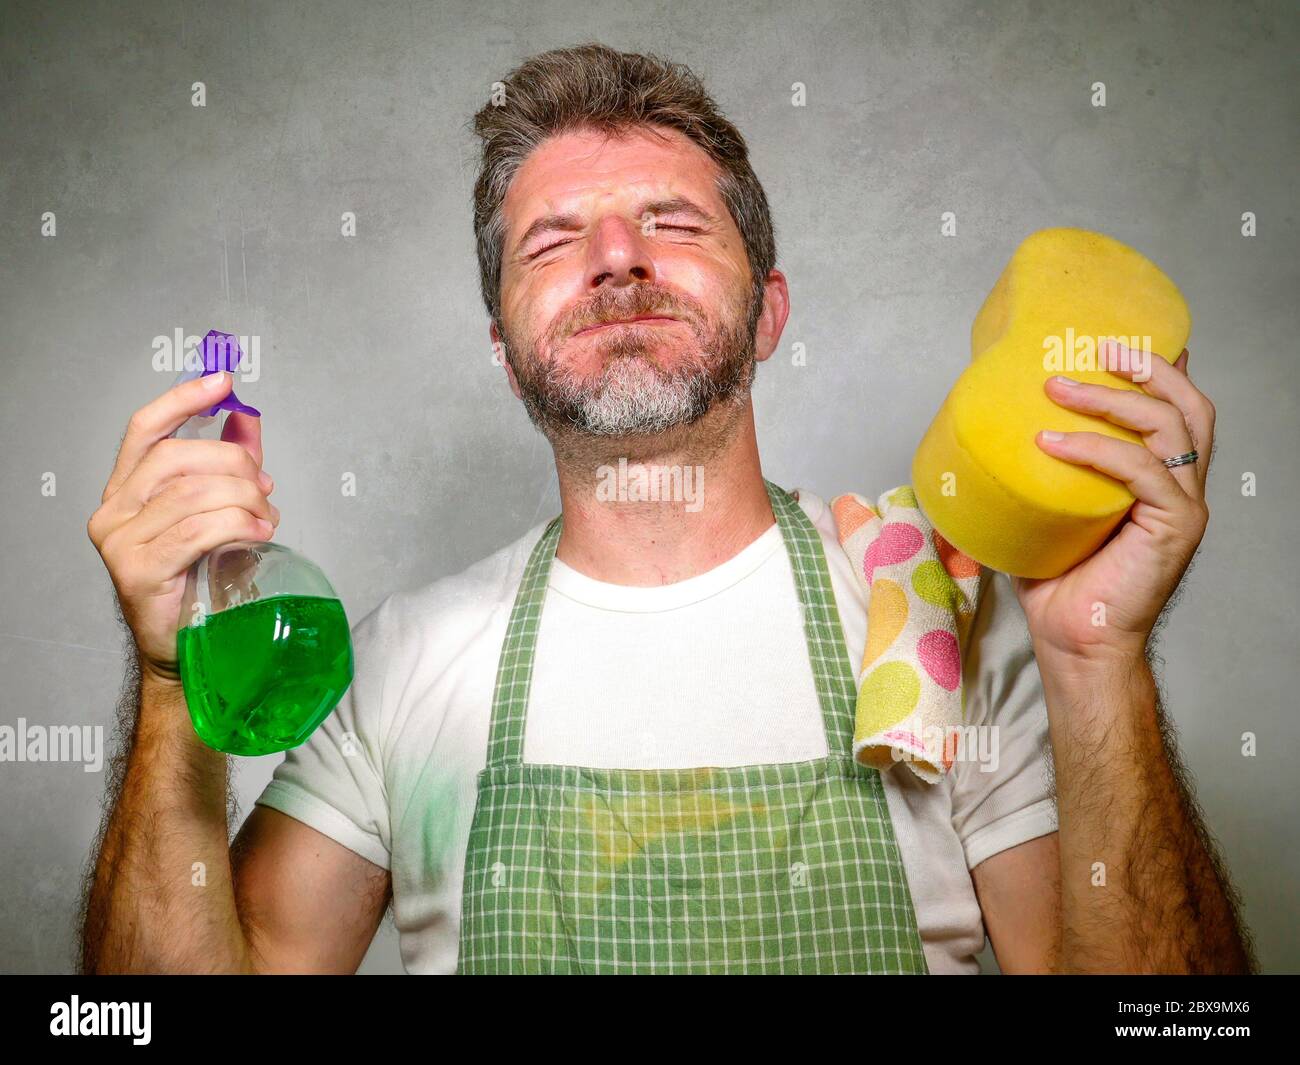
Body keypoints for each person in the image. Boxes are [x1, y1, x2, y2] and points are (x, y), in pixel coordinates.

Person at [81, 43, 1253, 974]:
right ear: (504, 350)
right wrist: (179, 682)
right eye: (553, 241)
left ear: (771, 312)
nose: (615, 259)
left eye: (674, 225)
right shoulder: (397, 664)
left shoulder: (938, 627)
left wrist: (1095, 659)